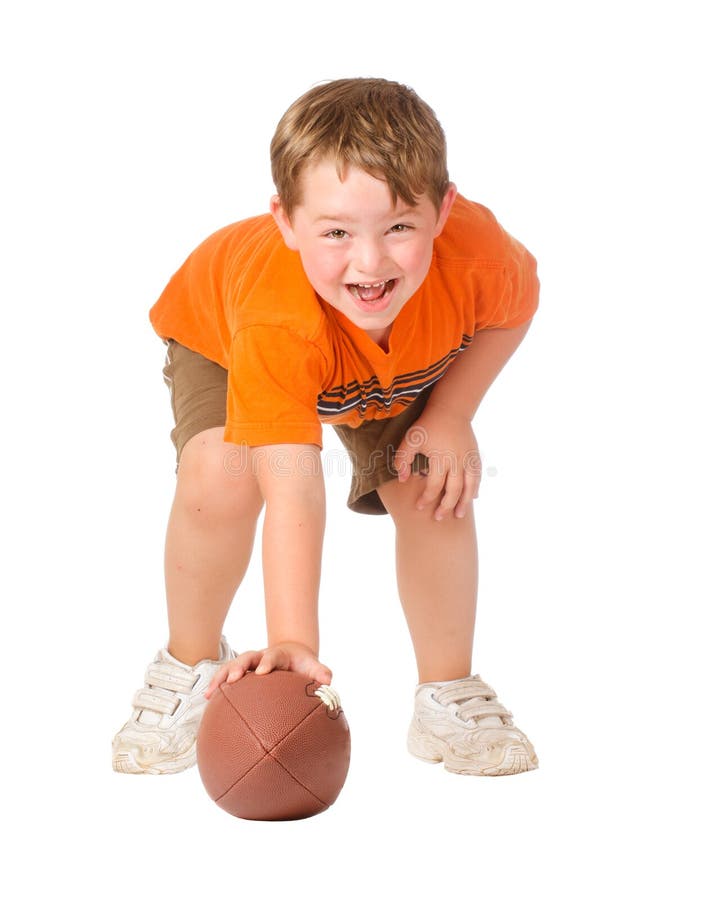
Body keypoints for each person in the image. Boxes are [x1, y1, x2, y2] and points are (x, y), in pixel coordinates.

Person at [112, 77, 540, 778]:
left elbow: (516, 307)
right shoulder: (276, 321)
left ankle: (447, 691)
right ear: (285, 221)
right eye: (335, 232)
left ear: (444, 210)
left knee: (435, 481)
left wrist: (453, 413)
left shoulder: (479, 255)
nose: (369, 263)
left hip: (392, 366)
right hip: (226, 340)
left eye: (399, 226)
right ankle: (188, 661)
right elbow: (293, 489)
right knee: (219, 474)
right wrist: (293, 644)